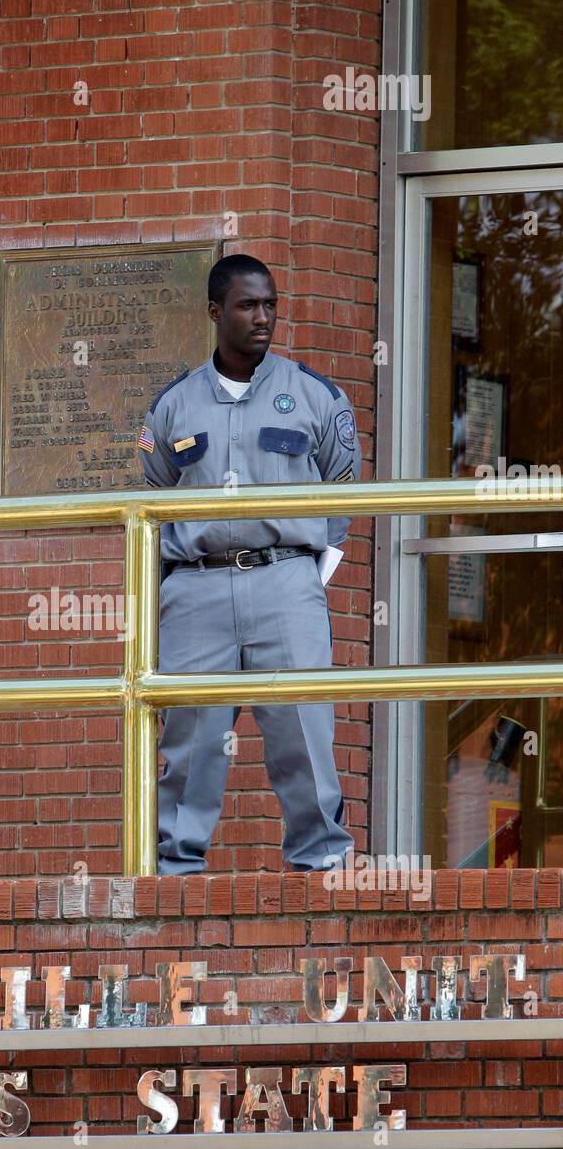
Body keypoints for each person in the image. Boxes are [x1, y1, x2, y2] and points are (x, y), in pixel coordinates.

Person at [138, 253, 360, 874]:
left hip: (287, 582)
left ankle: (321, 867)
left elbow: (345, 482)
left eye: (270, 304)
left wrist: (315, 565)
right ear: (215, 311)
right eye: (247, 305)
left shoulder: (316, 396)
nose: (262, 317)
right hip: (197, 588)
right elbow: (152, 496)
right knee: (190, 740)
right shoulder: (173, 407)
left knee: (303, 734)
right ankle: (172, 874)